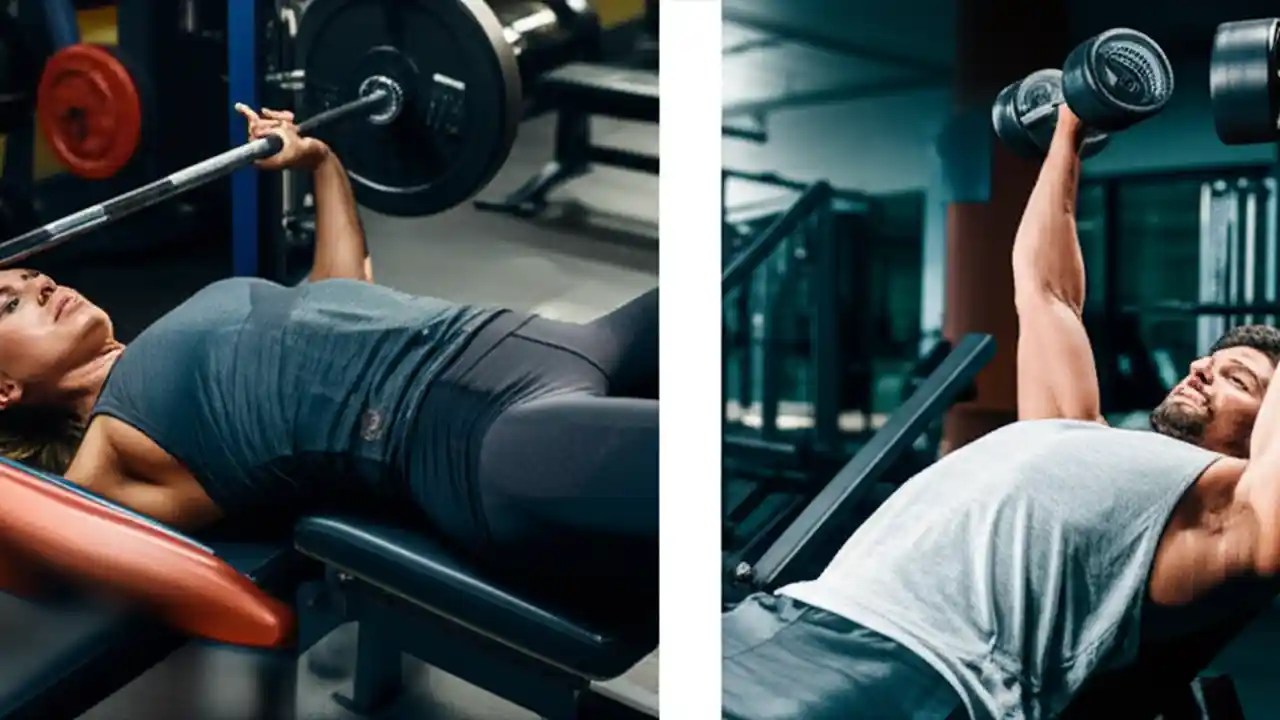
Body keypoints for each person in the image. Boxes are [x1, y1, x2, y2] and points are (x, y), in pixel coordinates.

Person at [722, 104, 1280, 720]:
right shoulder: (1078, 431)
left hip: (914, 672)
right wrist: (1072, 128)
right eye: (1208, 360)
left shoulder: (1229, 517)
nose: (1202, 368)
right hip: (799, 613)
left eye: (1238, 380)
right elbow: (1046, 291)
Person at [0, 106, 657, 603]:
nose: (43, 284)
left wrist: (320, 163)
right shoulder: (108, 461)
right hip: (474, 439)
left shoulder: (164, 342)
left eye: (34, 278)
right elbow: (33, 546)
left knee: (748, 292)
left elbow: (341, 291)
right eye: (10, 303)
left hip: (548, 343)